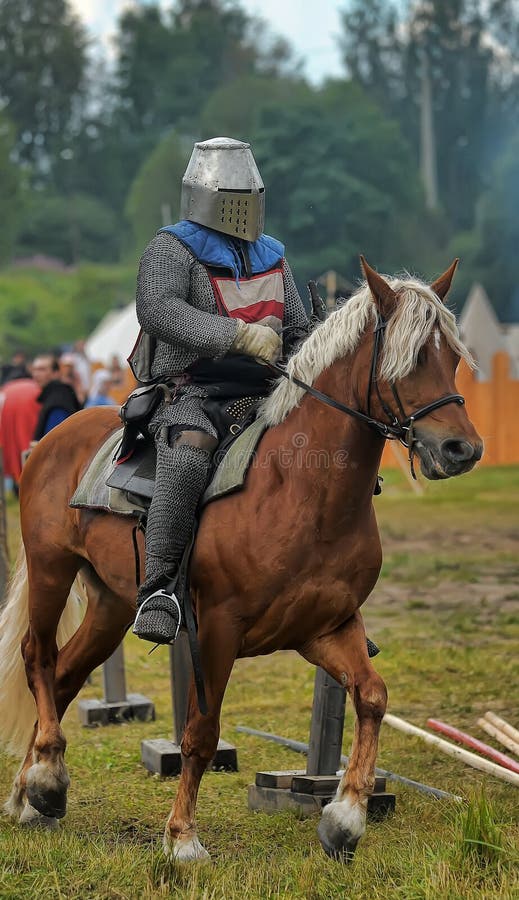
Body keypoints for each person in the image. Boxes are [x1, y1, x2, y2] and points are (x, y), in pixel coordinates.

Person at [130, 136, 310, 645]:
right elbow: (159, 310)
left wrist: (311, 347)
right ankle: (159, 588)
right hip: (194, 390)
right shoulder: (172, 247)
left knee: (325, 449)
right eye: (233, 195)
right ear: (206, 194)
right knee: (188, 459)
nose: (243, 206)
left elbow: (295, 325)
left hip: (267, 390)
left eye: (249, 195)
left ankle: (326, 590)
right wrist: (235, 334)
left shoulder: (271, 253)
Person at [0, 376, 40, 493]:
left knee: (14, 451)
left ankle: (18, 483)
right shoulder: (34, 388)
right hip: (32, 433)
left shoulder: (5, 391)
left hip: (8, 425)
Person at [32, 354, 82, 439]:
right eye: (34, 369)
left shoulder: (58, 401)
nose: (36, 374)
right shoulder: (53, 395)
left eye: (42, 369)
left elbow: (54, 440)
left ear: (55, 373)